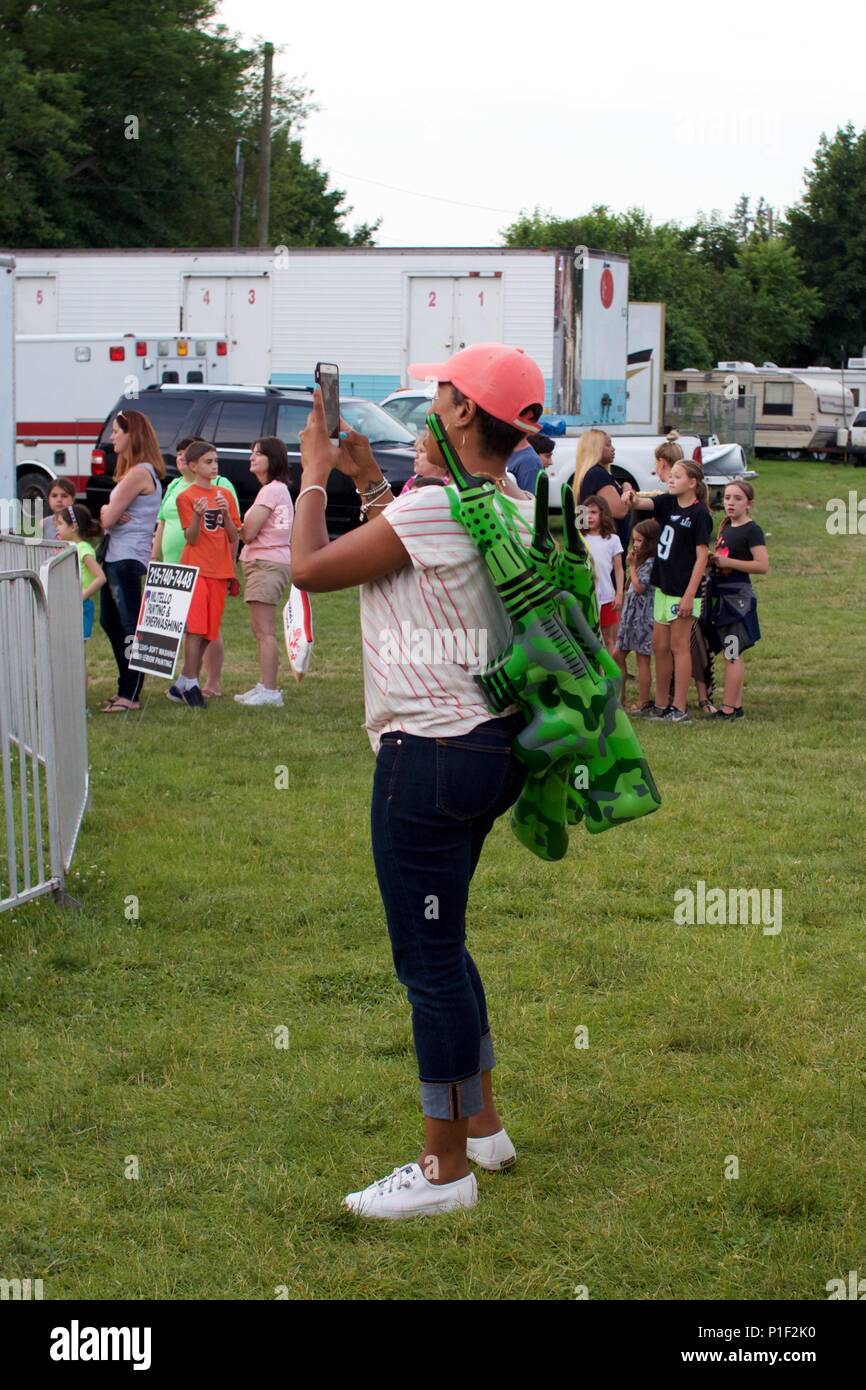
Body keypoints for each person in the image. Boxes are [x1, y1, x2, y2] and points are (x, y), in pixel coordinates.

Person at [291, 341, 546, 1220]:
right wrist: (369, 478)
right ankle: (484, 1127)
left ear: (465, 412)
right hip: (489, 751)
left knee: (428, 964)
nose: (422, 413)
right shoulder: (504, 503)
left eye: (436, 395)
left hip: (426, 757)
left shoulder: (435, 507)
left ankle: (444, 1173)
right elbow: (407, 557)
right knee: (449, 943)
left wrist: (314, 474)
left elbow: (309, 569)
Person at [623, 459, 712, 723]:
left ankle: (679, 707)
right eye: (670, 476)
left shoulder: (699, 514)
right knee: (660, 647)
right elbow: (641, 503)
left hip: (682, 591)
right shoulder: (667, 503)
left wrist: (689, 594)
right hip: (662, 587)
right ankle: (661, 704)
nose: (670, 480)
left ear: (692, 483)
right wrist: (630, 496)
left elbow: (702, 557)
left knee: (679, 646)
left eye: (677, 476)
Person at [153, 437, 239, 698]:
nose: (214, 467)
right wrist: (199, 515)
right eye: (208, 462)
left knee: (209, 631)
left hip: (219, 569)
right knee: (195, 628)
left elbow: (234, 536)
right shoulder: (186, 496)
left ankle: (184, 681)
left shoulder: (224, 494)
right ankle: (191, 683)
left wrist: (224, 514)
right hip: (195, 568)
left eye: (215, 461)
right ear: (193, 466)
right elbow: (191, 537)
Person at [98, 409, 164, 712]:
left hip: (126, 557)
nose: (112, 437)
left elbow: (108, 518)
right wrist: (109, 513)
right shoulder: (135, 473)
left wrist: (106, 513)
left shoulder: (139, 473)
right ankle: (125, 688)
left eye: (116, 431)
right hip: (117, 555)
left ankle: (131, 694)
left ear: (131, 435)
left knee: (127, 625)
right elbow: (111, 516)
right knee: (110, 621)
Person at [235, 437, 294, 707]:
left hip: (266, 564)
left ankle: (270, 691)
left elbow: (249, 532)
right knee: (261, 629)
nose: (252, 458)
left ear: (273, 459)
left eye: (258, 454)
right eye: (252, 453)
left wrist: (233, 523)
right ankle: (264, 685)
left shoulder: (271, 490)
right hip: (272, 562)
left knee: (264, 630)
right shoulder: (277, 490)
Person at [705, 480, 768, 720]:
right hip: (721, 596)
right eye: (728, 497)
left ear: (749, 503)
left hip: (736, 601)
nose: (731, 502)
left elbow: (762, 565)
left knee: (733, 653)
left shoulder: (752, 530)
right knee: (729, 654)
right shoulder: (726, 527)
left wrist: (729, 563)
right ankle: (735, 704)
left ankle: (730, 709)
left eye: (738, 498)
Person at [614, 518, 660, 713]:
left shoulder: (651, 563)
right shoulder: (641, 561)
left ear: (650, 542)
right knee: (617, 655)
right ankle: (620, 697)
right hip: (630, 617)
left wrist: (632, 567)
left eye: (640, 541)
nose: (636, 545)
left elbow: (640, 587)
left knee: (642, 658)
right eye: (634, 540)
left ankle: (643, 702)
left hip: (643, 617)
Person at [55, 503, 106, 663]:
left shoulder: (83, 549)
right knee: (68, 656)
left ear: (73, 526)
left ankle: (80, 688)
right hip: (70, 607)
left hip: (80, 608)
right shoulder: (72, 547)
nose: (57, 529)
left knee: (76, 658)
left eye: (60, 524)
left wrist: (81, 597)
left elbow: (100, 577)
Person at [581, 494, 624, 654]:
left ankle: (611, 675)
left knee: (608, 639)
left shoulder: (613, 540)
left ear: (602, 514)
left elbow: (619, 569)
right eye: (585, 513)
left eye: (593, 512)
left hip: (606, 597)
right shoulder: (579, 539)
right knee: (587, 638)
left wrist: (619, 594)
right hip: (585, 596)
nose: (589, 517)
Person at [573, 428, 630, 548]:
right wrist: (627, 489)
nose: (613, 449)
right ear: (595, 449)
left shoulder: (590, 473)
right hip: (606, 548)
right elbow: (620, 511)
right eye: (608, 445)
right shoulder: (597, 474)